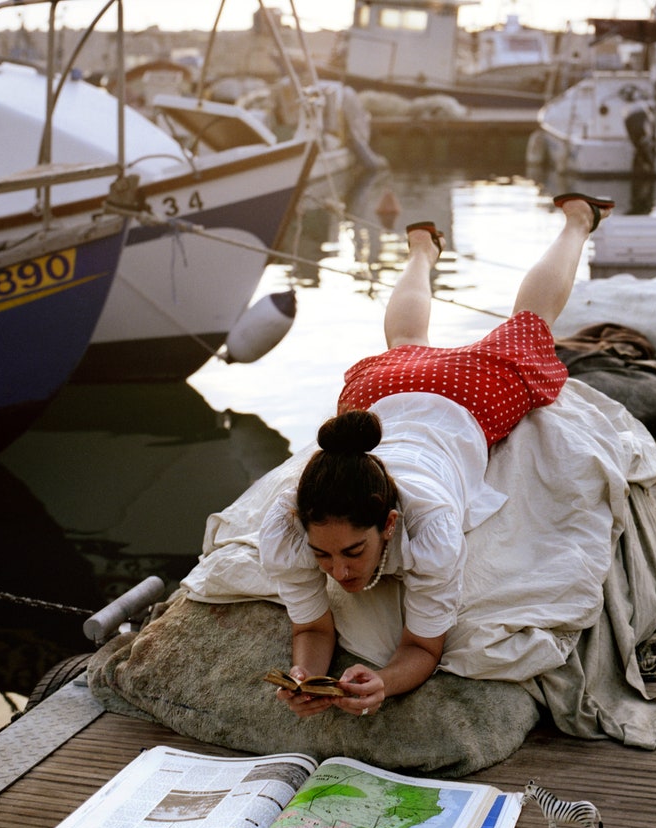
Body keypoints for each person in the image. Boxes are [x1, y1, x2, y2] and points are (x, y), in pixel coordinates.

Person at [259, 193, 616, 721]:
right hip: (383, 396)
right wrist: (300, 674)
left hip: (465, 398)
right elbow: (311, 630)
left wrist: (384, 682)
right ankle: (549, 224)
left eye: (354, 551)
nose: (338, 571)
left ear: (391, 522)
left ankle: (531, 230)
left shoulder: (433, 528)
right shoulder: (286, 524)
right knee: (484, 327)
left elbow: (423, 650)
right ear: (298, 522)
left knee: (525, 324)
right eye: (323, 555)